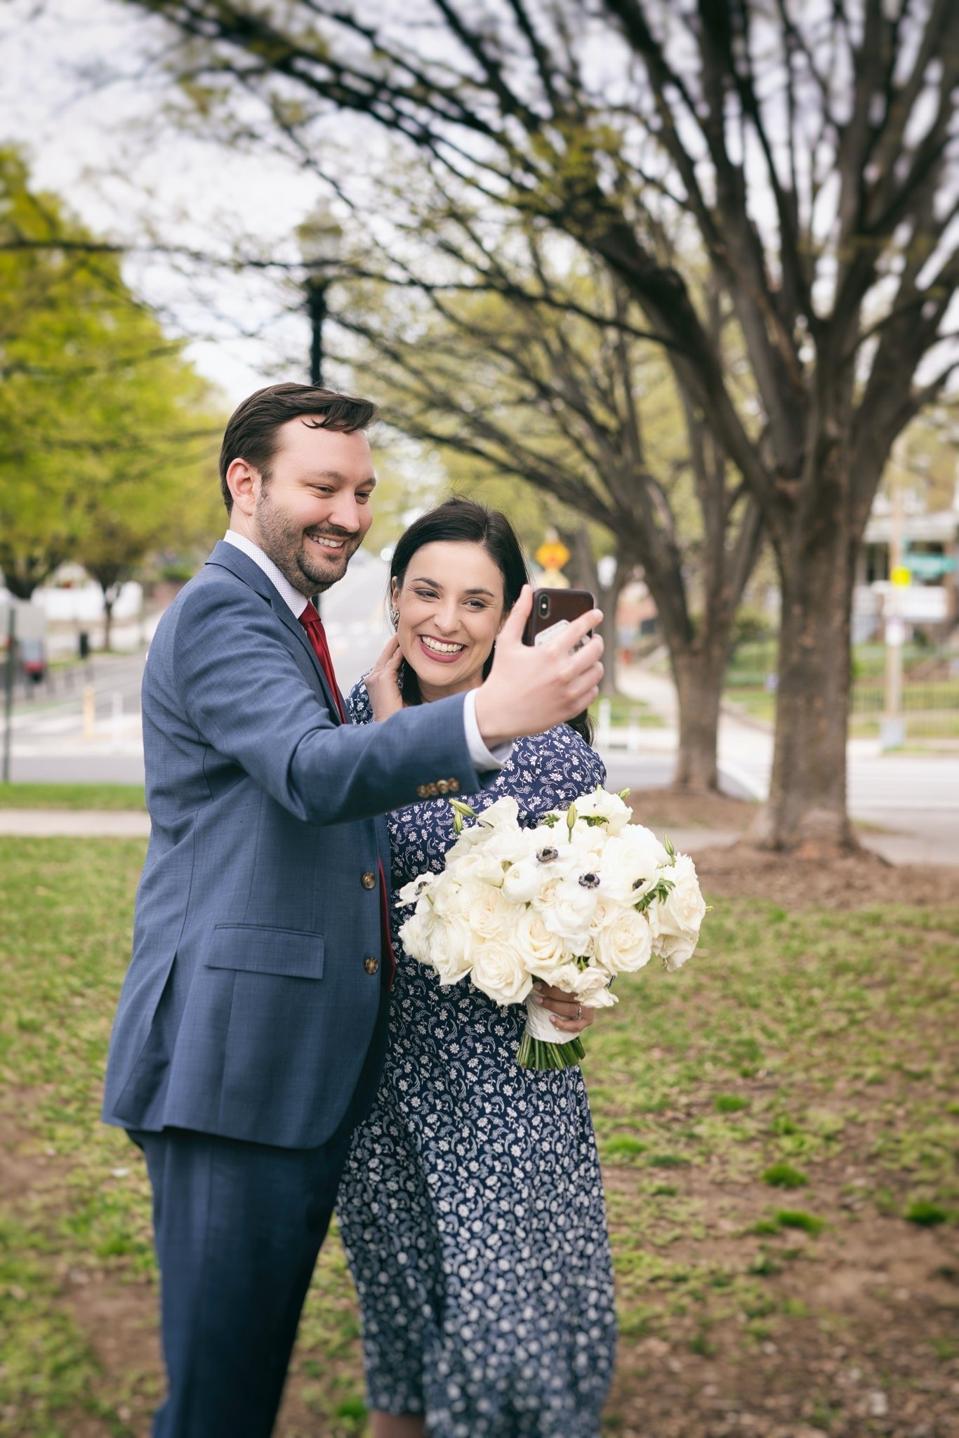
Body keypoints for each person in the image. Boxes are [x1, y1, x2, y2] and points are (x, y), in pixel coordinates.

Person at [100, 384, 604, 1438]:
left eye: (363, 490)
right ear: (247, 483)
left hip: (306, 1078)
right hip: (230, 1070)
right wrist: (481, 719)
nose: (348, 510)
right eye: (322, 485)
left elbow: (346, 816)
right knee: (219, 1400)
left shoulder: (297, 630)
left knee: (240, 1389)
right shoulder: (222, 612)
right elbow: (306, 769)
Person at [336, 498, 617, 1438]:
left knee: (505, 1326)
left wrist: (574, 978)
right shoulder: (335, 725)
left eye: (473, 601)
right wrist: (379, 728)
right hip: (377, 1078)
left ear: (507, 621)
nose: (444, 621)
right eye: (425, 592)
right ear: (392, 596)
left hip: (503, 1088)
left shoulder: (550, 750)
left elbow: (586, 897)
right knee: (405, 1317)